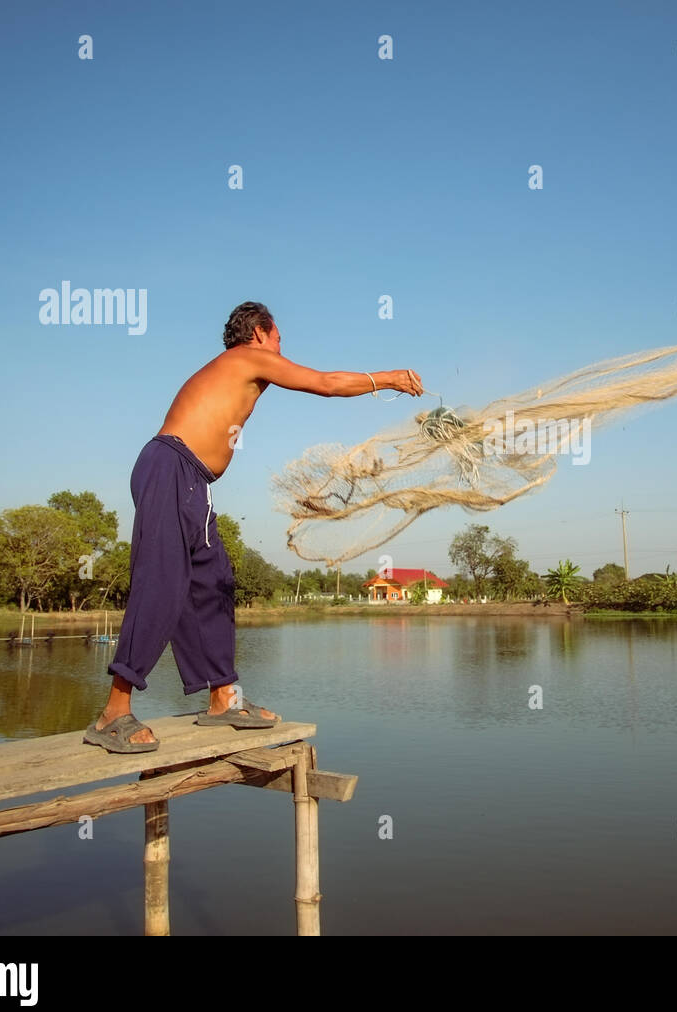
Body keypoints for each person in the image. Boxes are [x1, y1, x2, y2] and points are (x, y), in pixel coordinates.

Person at [83, 301, 424, 753]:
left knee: (214, 582)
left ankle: (223, 698)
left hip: (192, 478)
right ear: (260, 332)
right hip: (171, 467)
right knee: (163, 582)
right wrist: (390, 378)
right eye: (279, 336)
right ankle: (113, 712)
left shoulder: (244, 364)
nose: (282, 346)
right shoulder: (249, 356)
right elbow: (324, 383)